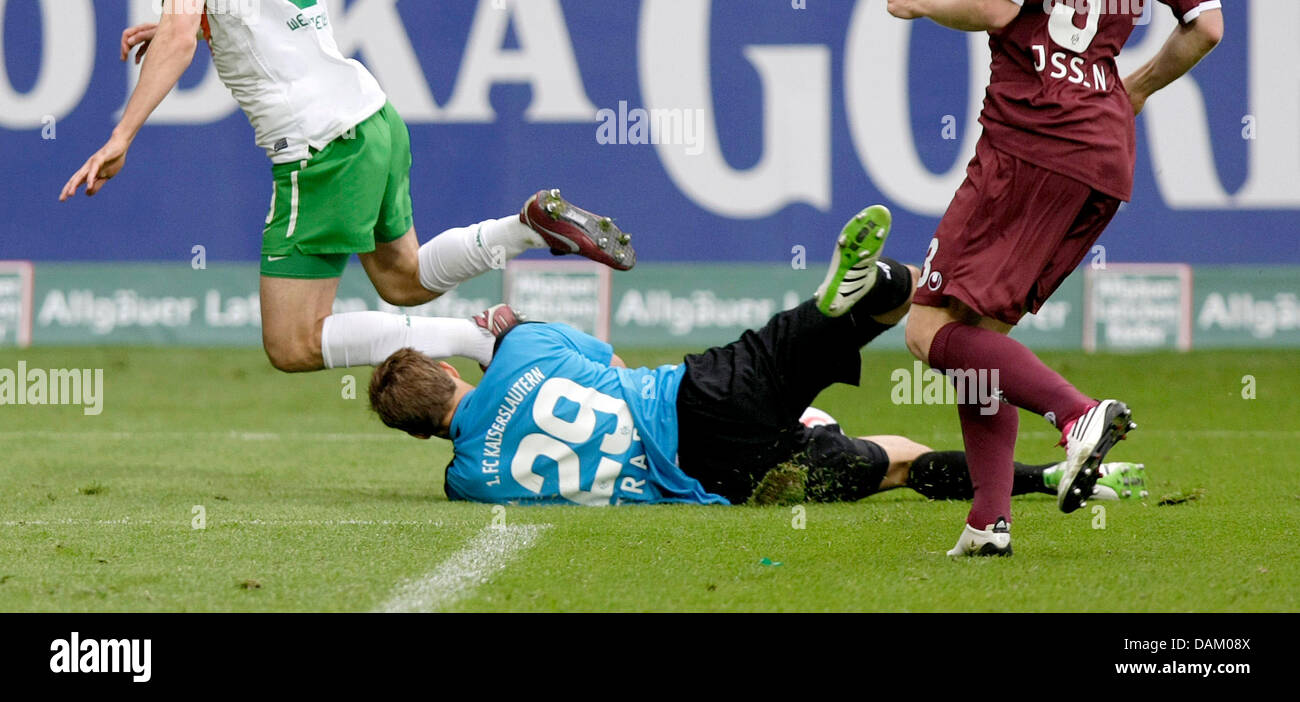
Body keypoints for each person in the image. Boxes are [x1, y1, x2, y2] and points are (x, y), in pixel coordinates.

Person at [59, 0, 632, 377]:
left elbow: (182, 35)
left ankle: (482, 335)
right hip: (371, 118)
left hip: (318, 146)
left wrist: (122, 133)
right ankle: (526, 228)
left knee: (292, 343)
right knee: (403, 280)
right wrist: (190, 18)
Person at [885, 0, 1222, 556]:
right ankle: (989, 521)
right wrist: (1133, 89)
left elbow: (996, 6)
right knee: (976, 328)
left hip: (1030, 140)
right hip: (1103, 152)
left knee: (926, 326)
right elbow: (1206, 25)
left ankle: (1077, 416)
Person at [370, 204, 1148, 513]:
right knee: (907, 295)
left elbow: (476, 445)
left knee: (900, 463)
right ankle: (857, 300)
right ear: (448, 372)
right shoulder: (523, 351)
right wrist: (506, 333)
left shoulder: (463, 482)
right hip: (693, 403)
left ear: (418, 436)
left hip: (725, 482)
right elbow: (603, 355)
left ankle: (1051, 481)